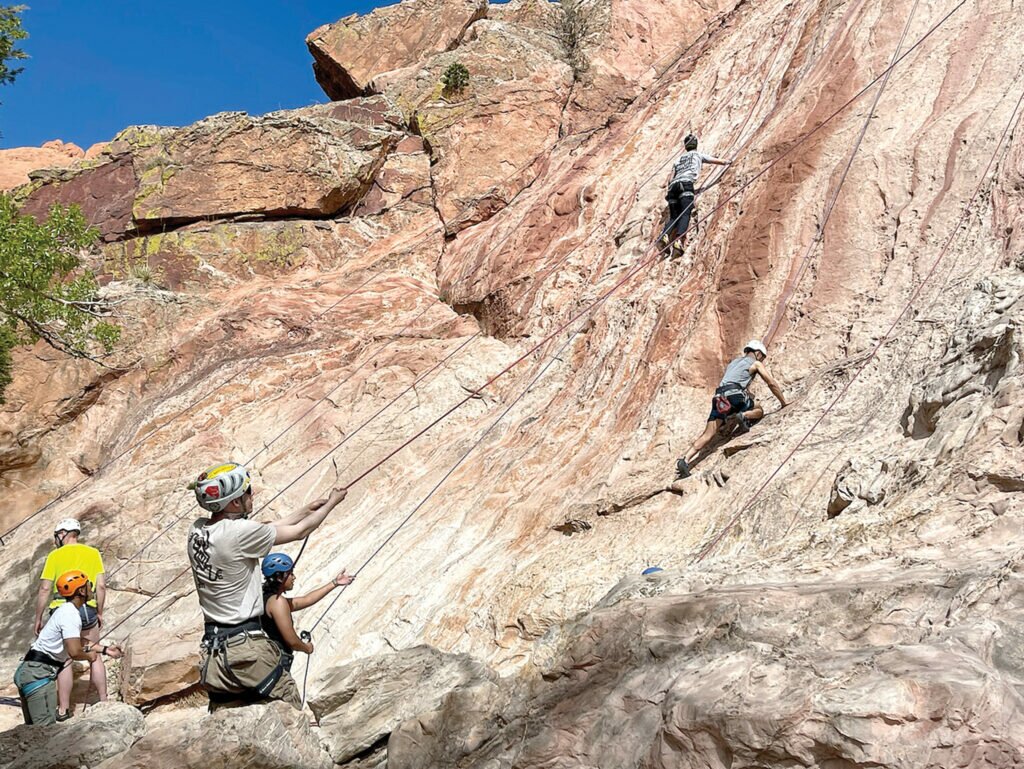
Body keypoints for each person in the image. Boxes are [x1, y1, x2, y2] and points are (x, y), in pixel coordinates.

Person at [186, 462, 348, 711]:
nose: (252, 495)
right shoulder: (239, 533)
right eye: (247, 491)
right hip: (246, 648)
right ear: (235, 503)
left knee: (229, 724)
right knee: (288, 707)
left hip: (214, 653)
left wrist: (304, 509)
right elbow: (299, 531)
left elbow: (263, 530)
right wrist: (333, 503)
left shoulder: (197, 530)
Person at [14, 570, 123, 725]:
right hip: (39, 676)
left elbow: (78, 642)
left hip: (31, 671)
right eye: (88, 585)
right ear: (81, 591)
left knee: (32, 733)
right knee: (45, 732)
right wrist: (90, 656)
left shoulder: (65, 611)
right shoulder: (70, 615)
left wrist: (105, 650)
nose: (91, 589)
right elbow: (74, 651)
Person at [676, 340, 788, 478]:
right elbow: (771, 383)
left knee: (708, 434)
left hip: (719, 399)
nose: (762, 361)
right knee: (759, 409)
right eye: (763, 358)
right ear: (758, 354)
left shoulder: (734, 363)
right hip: (734, 396)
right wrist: (783, 403)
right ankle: (744, 416)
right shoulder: (756, 364)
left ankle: (685, 460)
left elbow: (734, 381)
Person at [32, 518, 107, 720]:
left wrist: (38, 618)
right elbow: (100, 586)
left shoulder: (55, 556)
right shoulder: (92, 553)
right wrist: (99, 611)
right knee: (95, 654)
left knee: (64, 659)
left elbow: (45, 588)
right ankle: (104, 702)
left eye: (57, 535)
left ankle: (64, 709)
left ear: (63, 533)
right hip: (87, 608)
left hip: (62, 609)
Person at [260, 553, 354, 670]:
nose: (294, 577)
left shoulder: (267, 598)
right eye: (290, 573)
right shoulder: (277, 602)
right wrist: (307, 648)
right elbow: (292, 641)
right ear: (280, 578)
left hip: (270, 662)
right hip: (278, 663)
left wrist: (335, 583)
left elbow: (306, 599)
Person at [661, 134, 731, 257]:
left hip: (673, 187)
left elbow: (670, 179)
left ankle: (664, 236)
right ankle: (678, 241)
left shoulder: (677, 160)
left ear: (685, 147)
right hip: (686, 184)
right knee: (685, 213)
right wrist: (728, 162)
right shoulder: (698, 155)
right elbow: (716, 160)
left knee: (674, 216)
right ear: (696, 145)